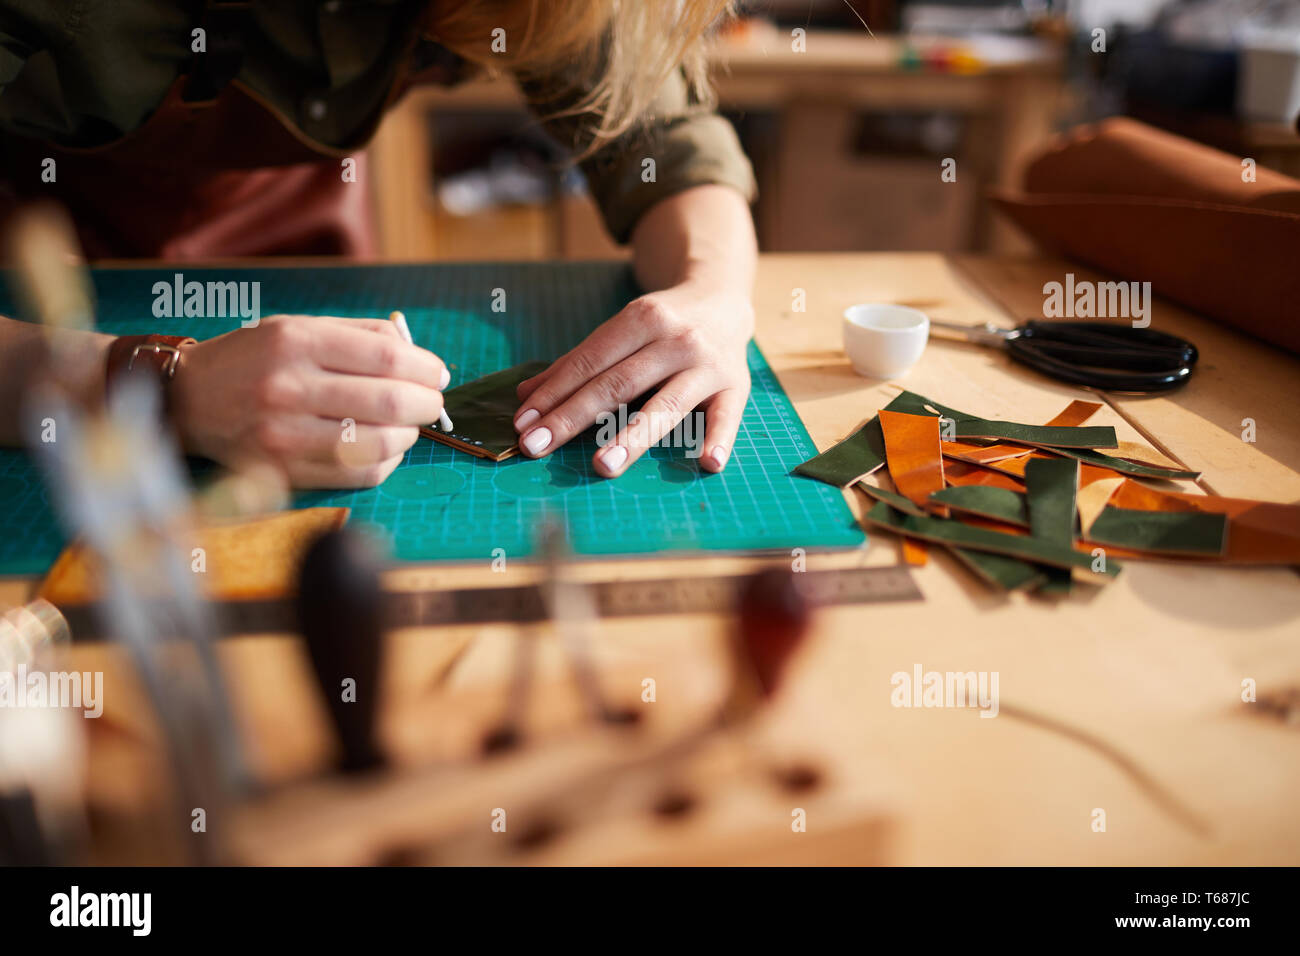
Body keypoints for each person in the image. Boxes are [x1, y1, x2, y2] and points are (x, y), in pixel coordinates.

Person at [0, 0, 757, 487]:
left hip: (311, 239)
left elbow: (667, 148)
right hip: (42, 263)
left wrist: (715, 293)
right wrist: (164, 389)